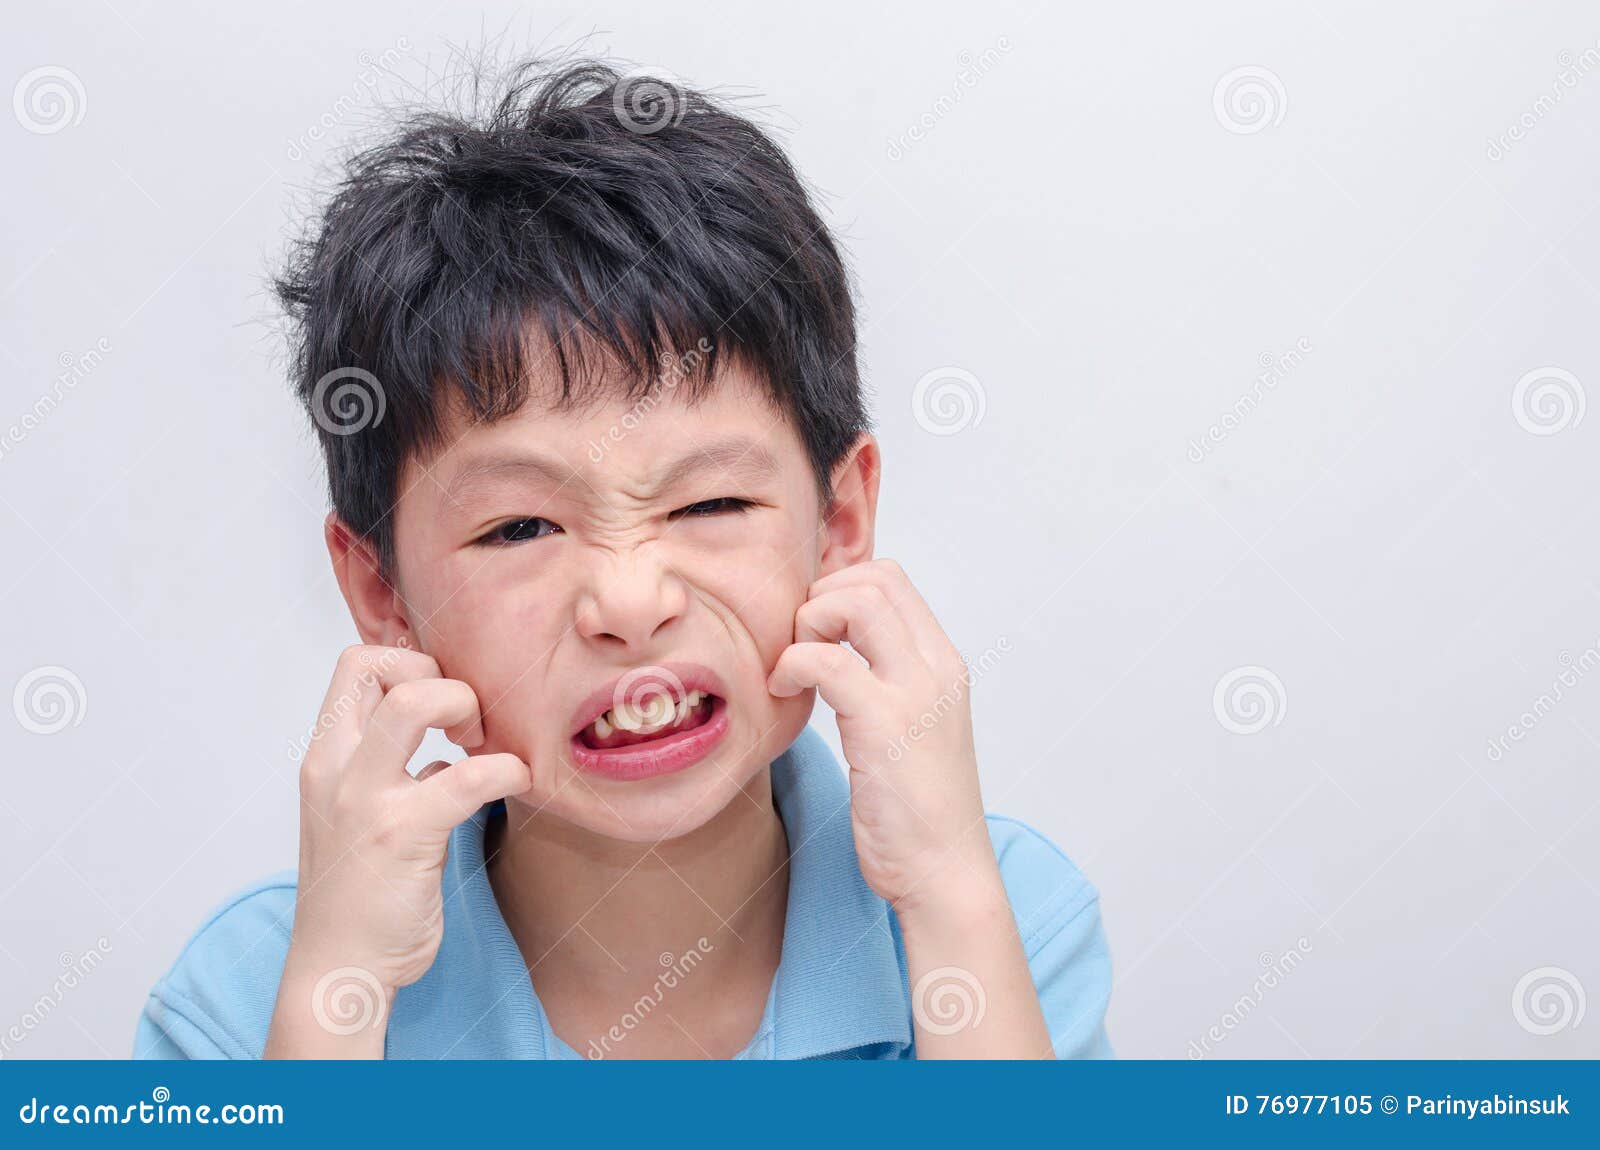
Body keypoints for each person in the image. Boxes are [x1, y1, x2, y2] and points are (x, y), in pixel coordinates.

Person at [133, 56, 1112, 1060]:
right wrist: (336, 992)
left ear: (839, 521)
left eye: (711, 500)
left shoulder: (994, 916)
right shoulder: (255, 993)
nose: (629, 601)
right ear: (382, 591)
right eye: (519, 527)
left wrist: (947, 898)